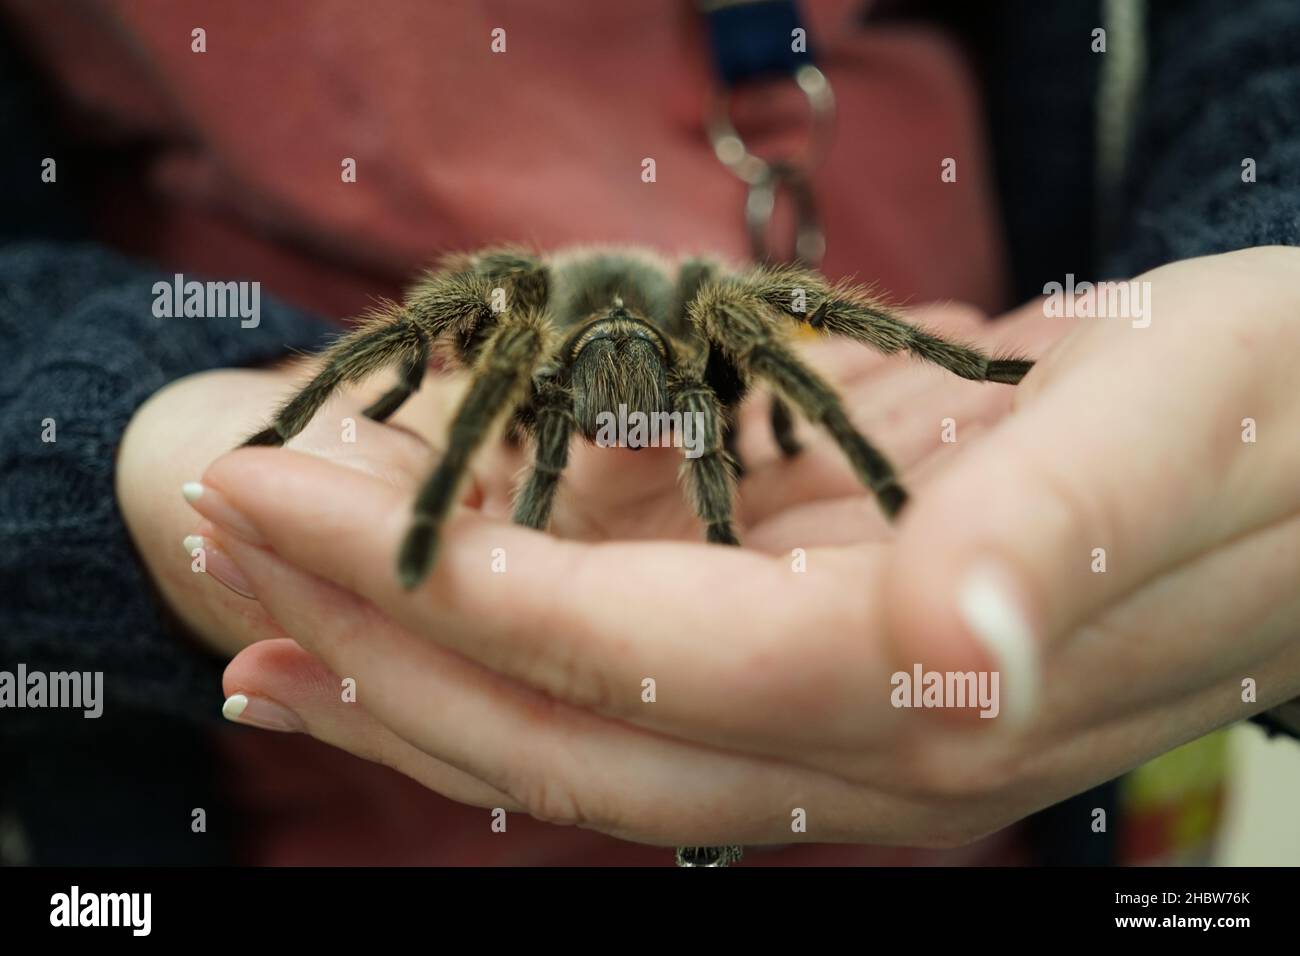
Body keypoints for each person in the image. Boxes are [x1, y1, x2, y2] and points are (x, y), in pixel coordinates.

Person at [2, 0, 1297, 866]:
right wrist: (170, 415)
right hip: (320, 818)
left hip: (1023, 813)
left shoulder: (701, 329)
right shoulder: (521, 320)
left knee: (787, 327)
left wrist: (1266, 248)